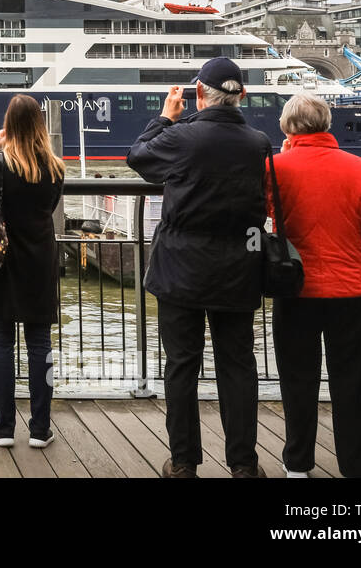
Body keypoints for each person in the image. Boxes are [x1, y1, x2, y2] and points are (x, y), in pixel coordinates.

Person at [126, 57, 269, 478]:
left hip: (181, 270)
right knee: (238, 365)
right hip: (240, 268)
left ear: (198, 95)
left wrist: (164, 119)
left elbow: (138, 159)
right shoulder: (259, 142)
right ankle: (244, 464)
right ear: (241, 95)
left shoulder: (184, 136)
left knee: (182, 365)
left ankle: (184, 462)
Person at [268, 93, 361, 479]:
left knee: (297, 380)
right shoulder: (358, 168)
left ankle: (297, 464)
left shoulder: (275, 167)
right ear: (326, 125)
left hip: (296, 291)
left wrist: (285, 155)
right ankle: (358, 467)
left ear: (287, 128)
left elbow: (270, 213)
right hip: (352, 291)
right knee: (349, 381)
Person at [0, 94, 65, 449]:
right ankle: (40, 428)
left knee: (1, 343)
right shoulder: (55, 166)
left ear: (9, 125)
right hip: (40, 257)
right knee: (40, 343)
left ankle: (4, 426)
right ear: (39, 124)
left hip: (1, 259)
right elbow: (50, 207)